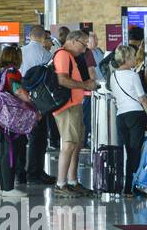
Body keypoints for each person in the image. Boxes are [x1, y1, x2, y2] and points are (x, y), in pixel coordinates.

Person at [51, 30, 97, 198]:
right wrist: (84, 85)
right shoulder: (63, 55)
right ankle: (61, 184)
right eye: (83, 45)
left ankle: (71, 181)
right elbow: (62, 80)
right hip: (67, 107)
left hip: (74, 105)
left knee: (76, 145)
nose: (84, 50)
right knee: (69, 144)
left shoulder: (70, 56)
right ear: (73, 40)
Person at [0, 44, 35, 197]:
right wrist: (33, 104)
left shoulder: (1, 72)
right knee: (10, 152)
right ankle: (8, 189)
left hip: (1, 117)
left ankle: (4, 188)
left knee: (3, 152)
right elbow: (18, 91)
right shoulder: (12, 73)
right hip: (10, 119)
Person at [109, 45, 147, 194]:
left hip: (121, 116)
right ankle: (131, 187)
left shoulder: (113, 76)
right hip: (136, 115)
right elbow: (142, 99)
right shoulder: (133, 75)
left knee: (126, 151)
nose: (135, 59)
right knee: (135, 152)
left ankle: (124, 186)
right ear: (127, 59)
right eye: (133, 56)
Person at [21, 25, 55, 185]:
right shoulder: (44, 54)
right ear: (43, 38)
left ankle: (22, 172)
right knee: (39, 137)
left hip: (20, 97)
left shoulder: (21, 51)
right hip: (38, 100)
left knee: (21, 137)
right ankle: (35, 173)